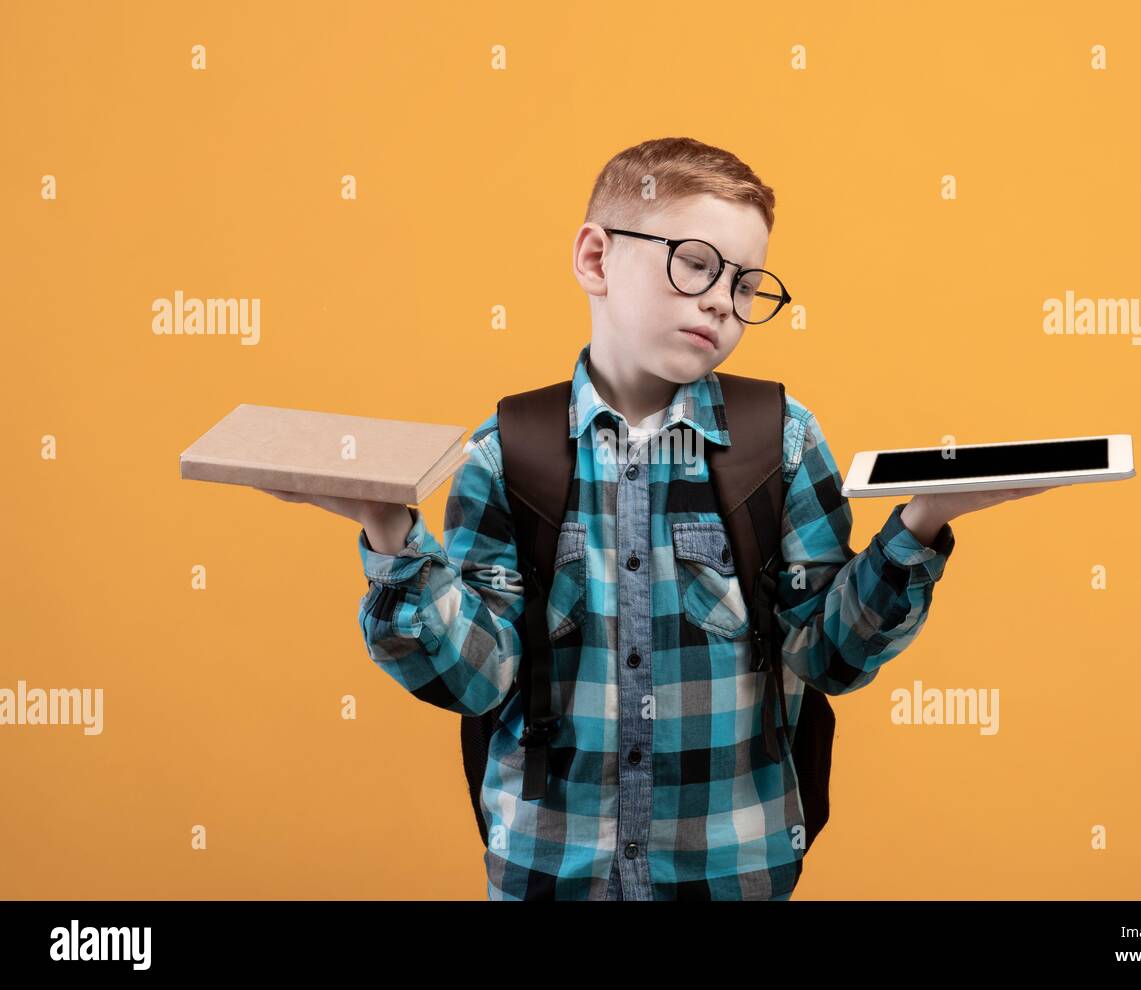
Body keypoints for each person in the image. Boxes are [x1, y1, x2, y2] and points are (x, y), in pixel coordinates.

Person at [259, 136, 1055, 900]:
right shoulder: (506, 454)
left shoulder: (780, 442)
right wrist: (390, 532)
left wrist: (920, 524)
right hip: (549, 870)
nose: (721, 299)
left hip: (734, 870)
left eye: (746, 285)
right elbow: (475, 679)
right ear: (596, 258)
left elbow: (830, 659)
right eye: (697, 264)